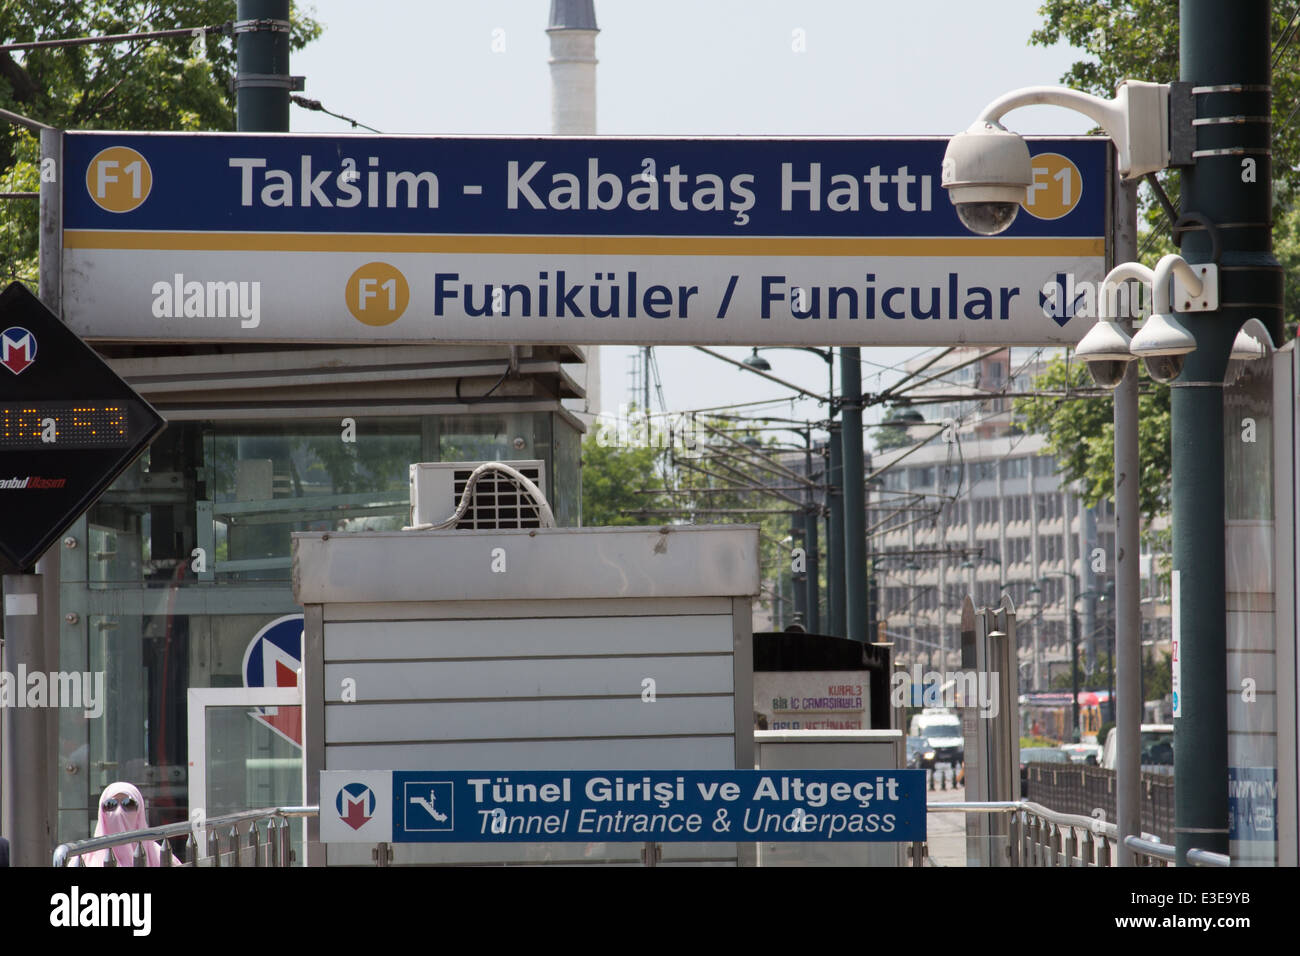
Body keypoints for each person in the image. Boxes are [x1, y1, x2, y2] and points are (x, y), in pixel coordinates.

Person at [80, 781, 179, 867]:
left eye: (128, 804)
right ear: (101, 813)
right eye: (110, 805)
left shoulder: (162, 856)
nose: (118, 812)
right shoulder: (83, 860)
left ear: (139, 812)